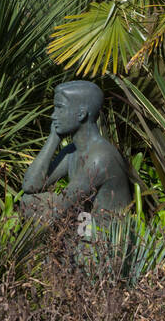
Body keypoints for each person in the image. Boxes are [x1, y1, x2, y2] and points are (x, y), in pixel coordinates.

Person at [21, 80, 131, 219]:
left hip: (106, 236)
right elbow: (30, 186)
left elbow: (59, 208)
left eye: (60, 108)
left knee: (34, 207)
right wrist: (53, 138)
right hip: (85, 229)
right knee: (28, 200)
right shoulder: (72, 151)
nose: (53, 115)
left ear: (81, 114)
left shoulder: (100, 157)